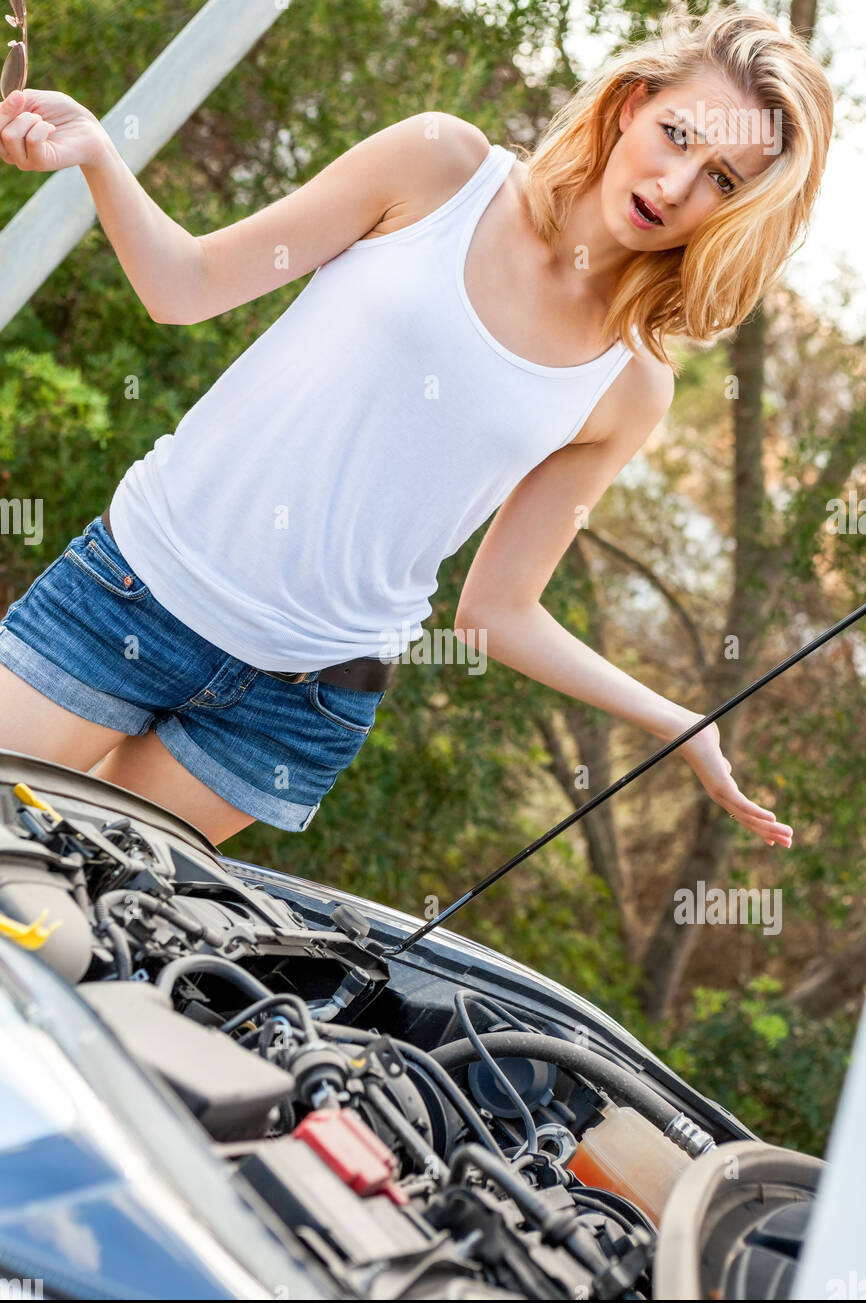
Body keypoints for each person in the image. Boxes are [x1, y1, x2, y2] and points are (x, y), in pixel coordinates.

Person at [0, 5, 833, 847]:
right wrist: (99, 154)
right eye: (677, 135)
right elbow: (185, 287)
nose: (676, 186)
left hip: (294, 706)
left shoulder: (633, 385)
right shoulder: (442, 166)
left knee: (73, 935)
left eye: (724, 179)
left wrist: (679, 721)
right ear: (631, 104)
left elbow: (496, 613)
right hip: (134, 593)